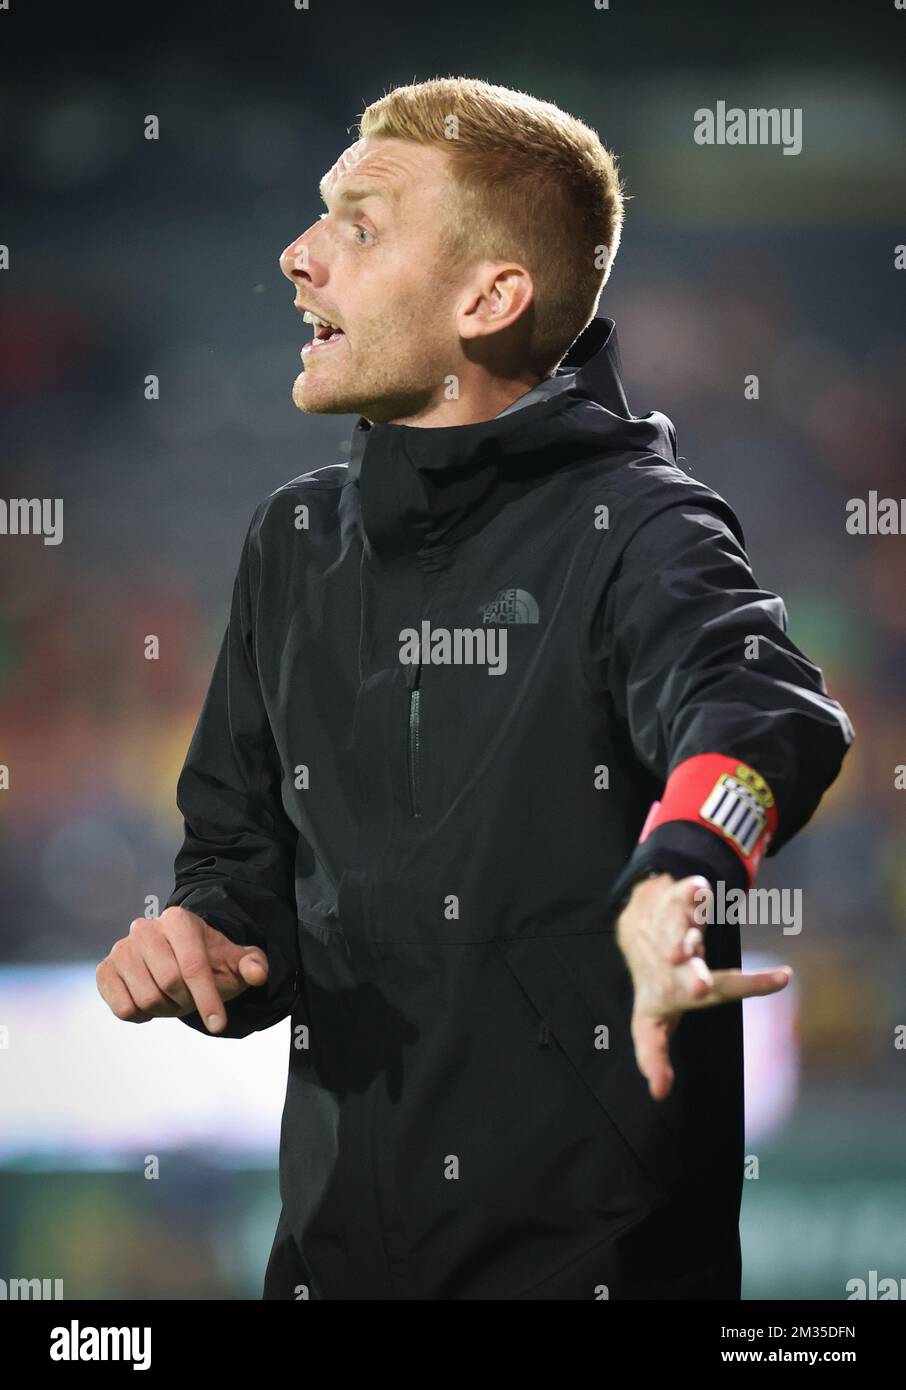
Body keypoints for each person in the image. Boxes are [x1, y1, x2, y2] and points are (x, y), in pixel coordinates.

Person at [96, 77, 853, 1300]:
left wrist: (687, 866)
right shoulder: (291, 541)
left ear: (489, 300)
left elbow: (765, 712)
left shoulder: (640, 528)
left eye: (359, 226)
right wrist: (208, 942)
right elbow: (238, 862)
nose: (298, 256)